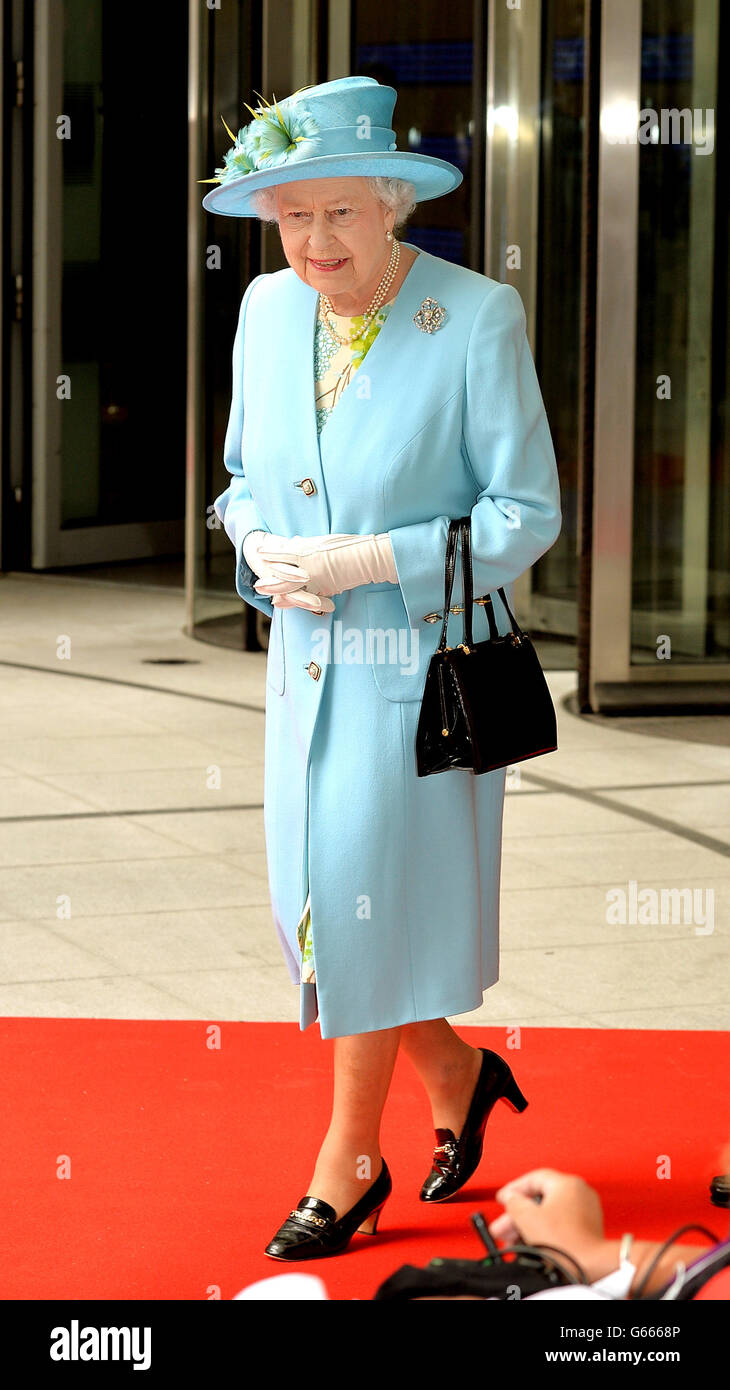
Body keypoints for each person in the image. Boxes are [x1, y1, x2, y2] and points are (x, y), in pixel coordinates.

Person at [203, 76, 562, 1260]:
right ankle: (457, 1071)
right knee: (318, 908)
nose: (316, 243)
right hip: (303, 667)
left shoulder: (471, 317)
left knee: (346, 903)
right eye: (293, 216)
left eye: (341, 214)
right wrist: (253, 540)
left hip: (417, 674)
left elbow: (526, 513)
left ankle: (350, 1163)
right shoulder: (262, 309)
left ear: (394, 205)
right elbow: (243, 471)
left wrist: (370, 559)